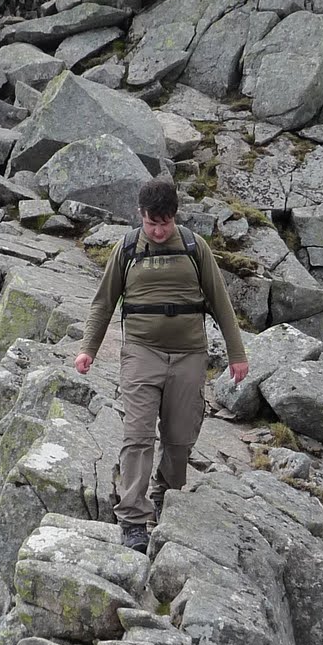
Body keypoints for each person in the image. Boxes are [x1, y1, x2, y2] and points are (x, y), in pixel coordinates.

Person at [75, 177, 250, 552]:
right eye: (151, 223)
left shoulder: (193, 246)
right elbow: (103, 303)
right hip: (141, 352)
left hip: (189, 355)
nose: (157, 230)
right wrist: (88, 347)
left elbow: (221, 303)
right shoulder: (126, 249)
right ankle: (133, 520)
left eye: (165, 223)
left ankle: (165, 495)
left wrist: (237, 354)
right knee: (137, 435)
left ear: (175, 217)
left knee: (180, 438)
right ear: (140, 215)